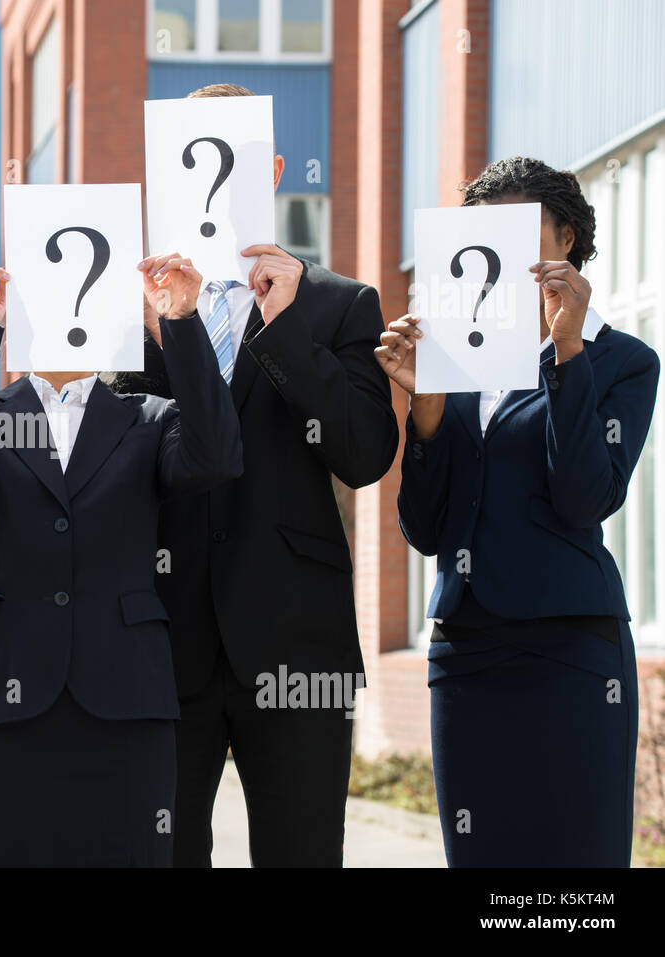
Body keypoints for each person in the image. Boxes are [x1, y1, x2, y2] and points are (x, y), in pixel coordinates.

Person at [110, 83, 399, 867]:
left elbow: (366, 453)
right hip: (166, 640)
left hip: (297, 644)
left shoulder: (340, 304)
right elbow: (118, 471)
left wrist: (288, 331)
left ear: (271, 168)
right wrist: (166, 337)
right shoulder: (127, 317)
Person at [0, 254, 242, 866]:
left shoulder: (147, 417)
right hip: (2, 693)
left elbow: (216, 455)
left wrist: (181, 324)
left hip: (121, 697)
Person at [379, 156, 659, 867]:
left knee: (579, 879)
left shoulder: (624, 360)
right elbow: (428, 529)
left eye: (520, 227)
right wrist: (428, 413)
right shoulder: (458, 355)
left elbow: (585, 498)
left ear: (565, 236)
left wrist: (567, 350)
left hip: (572, 650)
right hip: (468, 651)